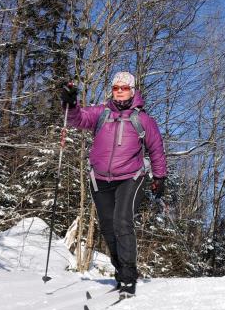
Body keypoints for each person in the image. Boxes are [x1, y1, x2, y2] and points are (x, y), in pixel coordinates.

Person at [60, 71, 167, 297]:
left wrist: (159, 177)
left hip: (130, 177)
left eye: (124, 88)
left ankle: (129, 277)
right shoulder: (101, 113)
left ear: (133, 90)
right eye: (116, 87)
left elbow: (156, 149)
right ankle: (121, 271)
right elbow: (77, 119)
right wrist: (70, 103)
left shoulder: (143, 119)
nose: (119, 91)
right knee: (108, 228)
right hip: (99, 178)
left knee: (122, 222)